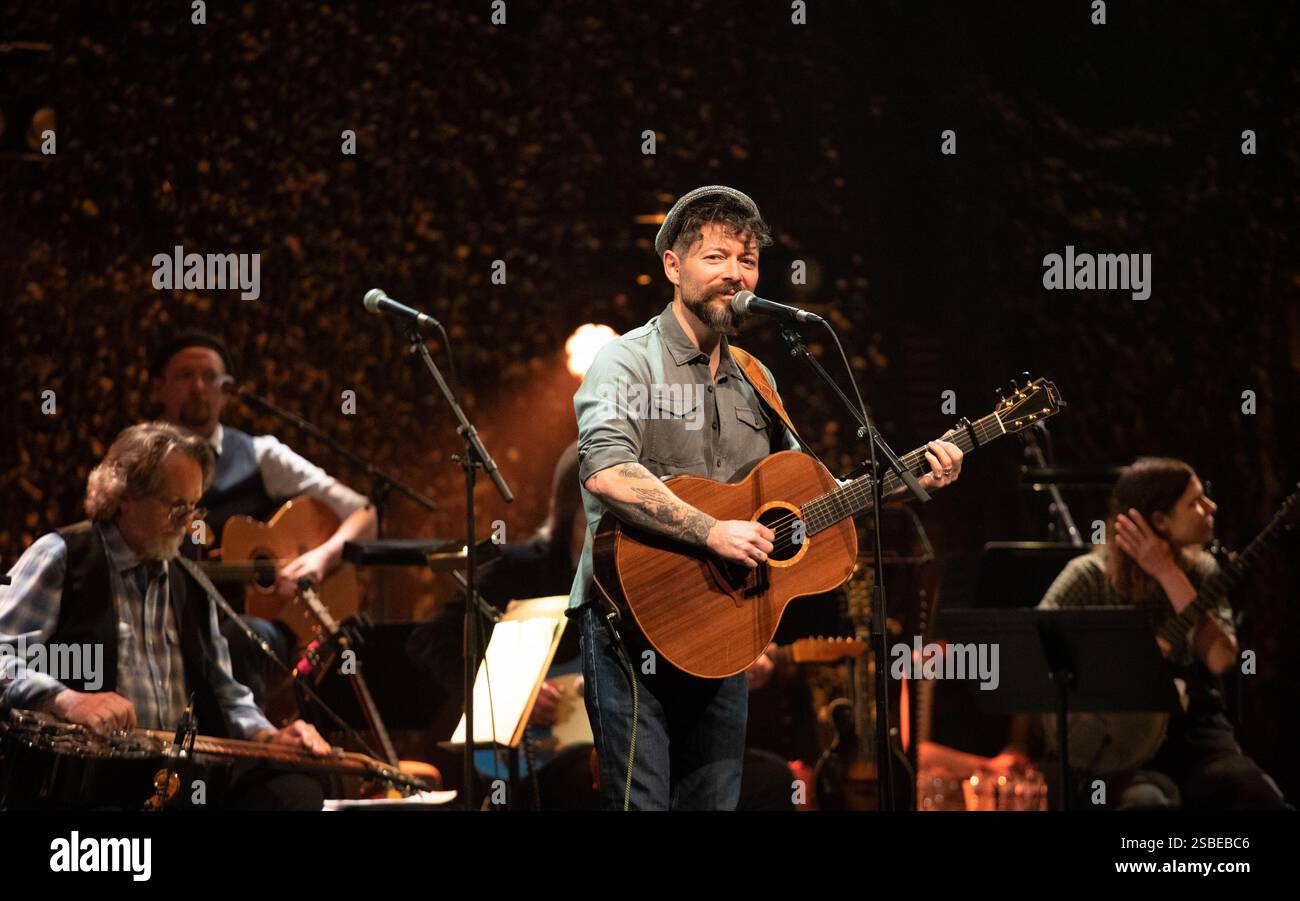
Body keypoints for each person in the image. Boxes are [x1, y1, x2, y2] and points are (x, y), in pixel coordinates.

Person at [569, 185, 964, 810]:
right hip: (633, 628)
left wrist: (909, 479)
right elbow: (608, 473)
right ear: (673, 265)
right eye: (716, 257)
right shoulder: (624, 363)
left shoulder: (758, 376)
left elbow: (814, 498)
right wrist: (709, 530)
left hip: (726, 630)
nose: (735, 275)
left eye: (747, 261)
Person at [0, 422, 331, 809]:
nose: (188, 523)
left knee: (297, 792)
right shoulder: (63, 556)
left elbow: (227, 694)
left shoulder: (188, 577)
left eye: (194, 507)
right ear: (122, 495)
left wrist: (268, 738)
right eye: (175, 506)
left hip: (180, 778)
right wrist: (67, 700)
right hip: (90, 778)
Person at [1030, 456, 1287, 810]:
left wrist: (1166, 571)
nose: (1210, 507)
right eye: (1195, 502)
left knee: (1255, 795)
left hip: (1195, 737)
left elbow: (1222, 658)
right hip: (1120, 740)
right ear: (1160, 521)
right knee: (1145, 802)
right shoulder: (1088, 574)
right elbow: (1035, 645)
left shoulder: (1203, 570)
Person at [149, 332, 377, 700]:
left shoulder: (262, 455)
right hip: (166, 623)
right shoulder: (140, 461)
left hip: (259, 629)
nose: (198, 387)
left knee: (244, 637)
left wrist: (320, 559)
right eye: (184, 376)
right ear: (158, 389)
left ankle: (248, 746)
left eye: (210, 377)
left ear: (227, 392)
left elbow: (363, 513)